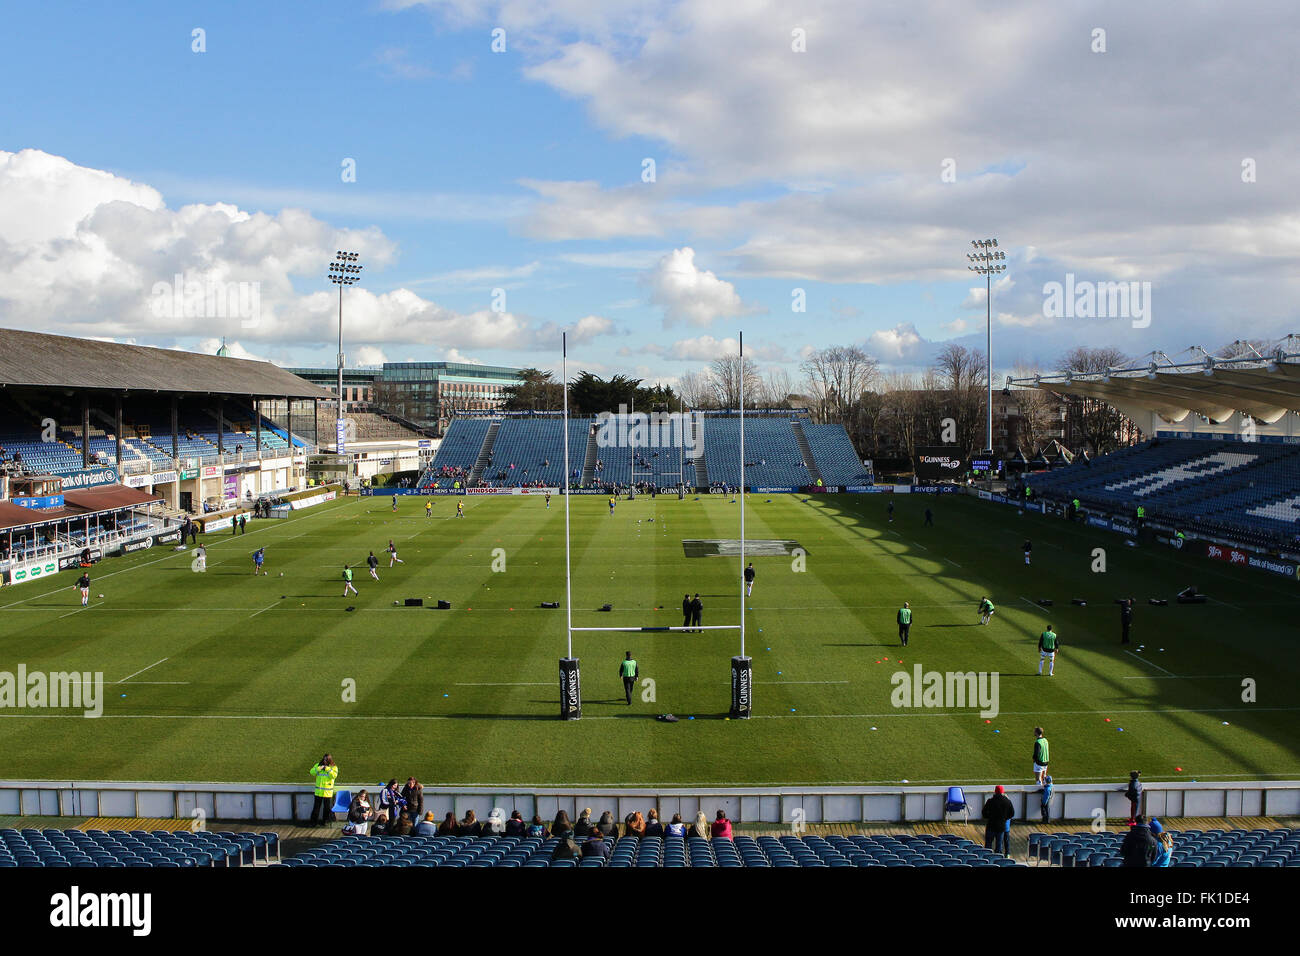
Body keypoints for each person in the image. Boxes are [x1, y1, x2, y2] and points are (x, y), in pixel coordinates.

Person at [982, 784, 1015, 857]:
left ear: (995, 792)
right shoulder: (1007, 801)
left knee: (988, 845)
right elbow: (1012, 813)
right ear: (1002, 792)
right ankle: (998, 860)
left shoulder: (990, 801)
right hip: (1001, 826)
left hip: (991, 825)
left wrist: (989, 817)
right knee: (999, 846)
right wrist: (1004, 818)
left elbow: (984, 813)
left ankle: (987, 860)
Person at [309, 754, 338, 826]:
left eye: (326, 760)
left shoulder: (334, 767)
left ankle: (325, 822)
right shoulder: (318, 765)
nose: (324, 761)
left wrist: (327, 769)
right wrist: (319, 768)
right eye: (324, 759)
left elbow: (334, 776)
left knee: (327, 809)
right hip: (318, 792)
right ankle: (313, 822)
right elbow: (312, 772)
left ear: (329, 760)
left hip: (327, 792)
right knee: (316, 808)